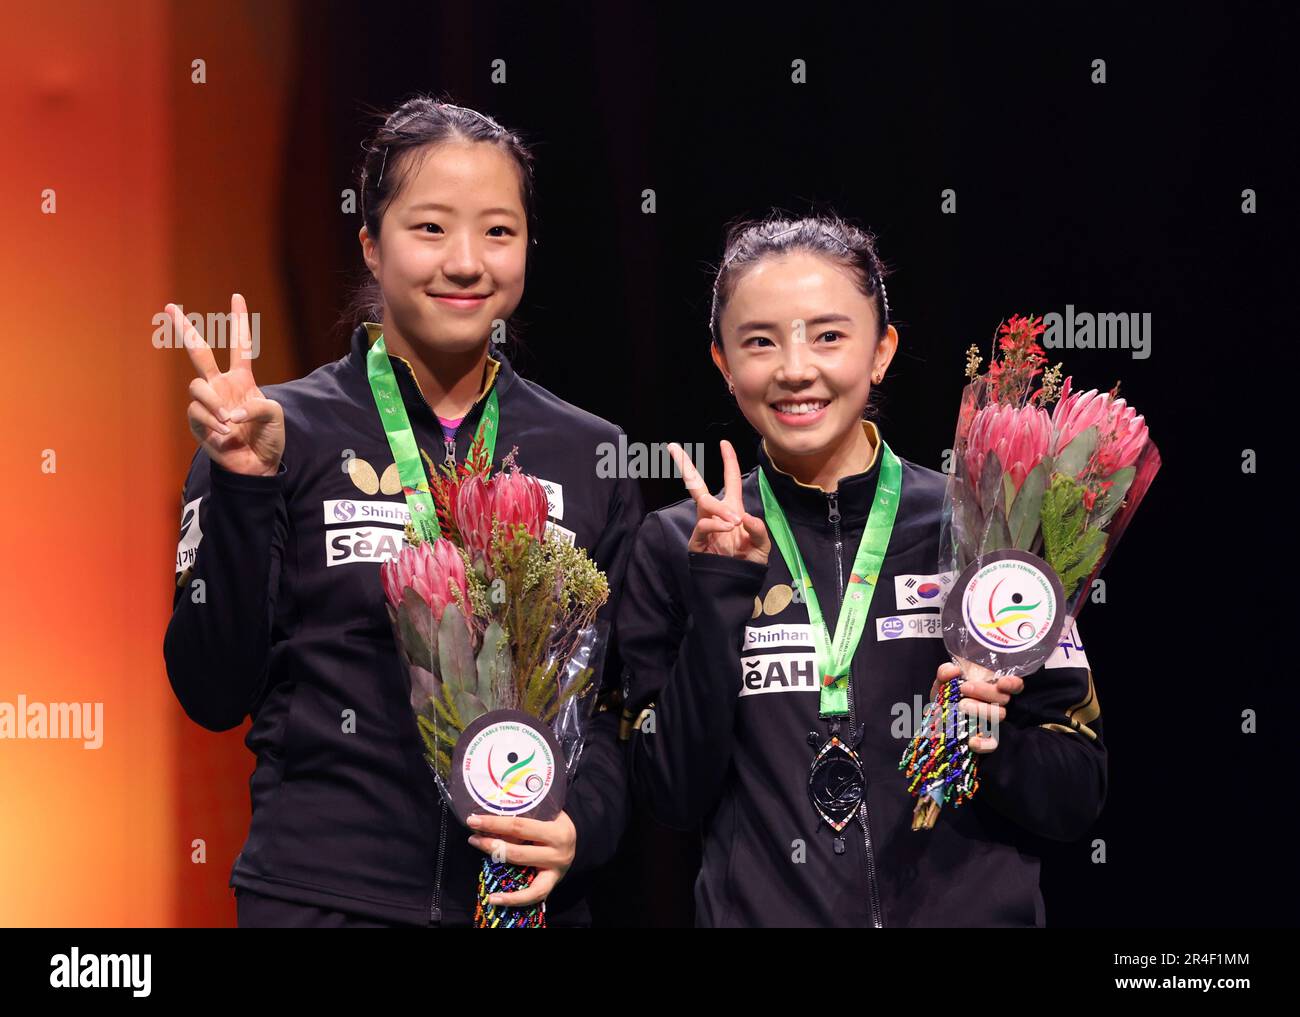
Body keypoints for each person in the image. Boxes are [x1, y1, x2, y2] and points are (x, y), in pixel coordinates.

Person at [163, 95, 643, 927]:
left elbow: (617, 709)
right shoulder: (276, 431)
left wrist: (580, 828)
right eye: (429, 229)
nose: (466, 262)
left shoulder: (589, 451)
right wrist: (242, 483)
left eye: (498, 231)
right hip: (323, 898)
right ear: (370, 246)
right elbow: (211, 688)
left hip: (523, 902)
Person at [618, 214, 1106, 927]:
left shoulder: (984, 528)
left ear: (881, 351)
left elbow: (1078, 793)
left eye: (829, 335)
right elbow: (670, 797)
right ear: (723, 364)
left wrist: (987, 737)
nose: (794, 367)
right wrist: (722, 592)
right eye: (759, 341)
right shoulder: (677, 545)